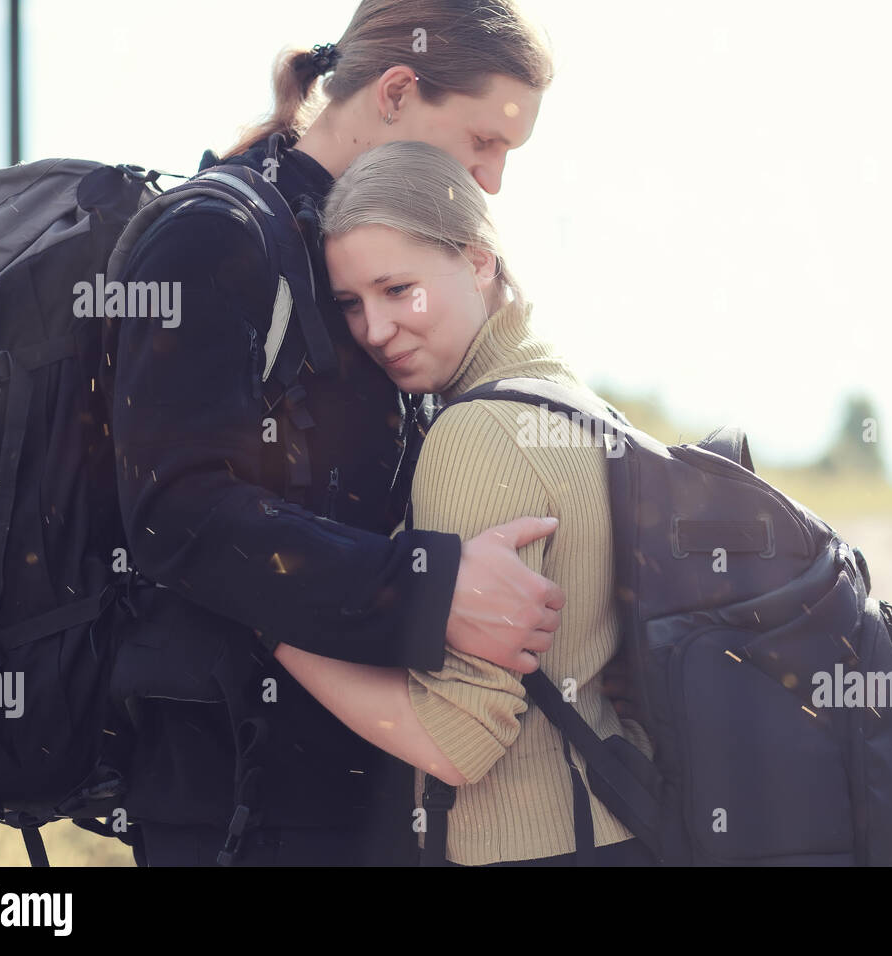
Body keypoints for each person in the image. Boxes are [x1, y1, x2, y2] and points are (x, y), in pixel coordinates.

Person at [106, 0, 561, 866]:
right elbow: (173, 511)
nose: (492, 178)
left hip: (374, 789)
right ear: (396, 89)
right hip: (236, 806)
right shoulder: (213, 237)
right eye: (484, 140)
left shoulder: (369, 244)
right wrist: (432, 590)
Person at [273, 140, 656, 866]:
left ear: (480, 260)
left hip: (530, 848)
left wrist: (271, 621)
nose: (376, 331)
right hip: (615, 827)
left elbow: (457, 741)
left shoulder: (477, 433)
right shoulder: (578, 404)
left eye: (397, 290)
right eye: (351, 304)